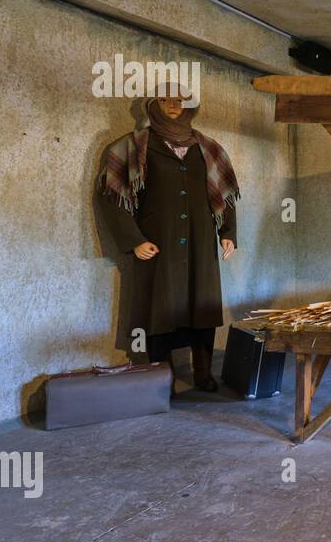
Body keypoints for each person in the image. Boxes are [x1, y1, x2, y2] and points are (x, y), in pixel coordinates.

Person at [98, 92, 240, 391]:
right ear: (152, 106)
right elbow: (113, 198)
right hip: (157, 245)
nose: (174, 106)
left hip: (201, 246)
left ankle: (203, 374)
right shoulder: (134, 146)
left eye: (180, 100)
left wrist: (227, 233)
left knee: (202, 307)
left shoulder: (209, 148)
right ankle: (164, 379)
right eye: (164, 100)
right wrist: (134, 240)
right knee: (158, 311)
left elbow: (224, 195)